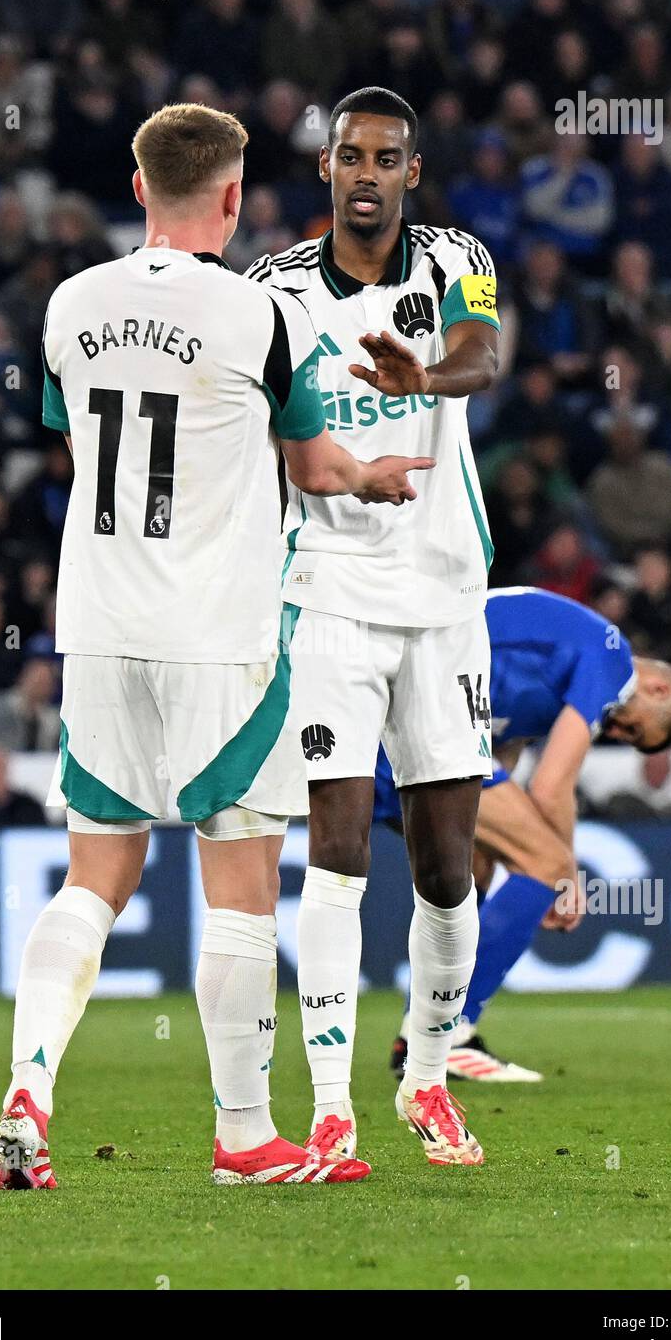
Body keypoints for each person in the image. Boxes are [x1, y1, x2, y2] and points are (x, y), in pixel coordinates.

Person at [0, 103, 427, 1192]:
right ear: (232, 199)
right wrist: (372, 477)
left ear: (140, 188)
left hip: (94, 627)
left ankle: (28, 1090)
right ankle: (244, 1135)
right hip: (217, 636)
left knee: (93, 873)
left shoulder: (68, 302)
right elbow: (315, 465)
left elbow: (80, 428)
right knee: (238, 884)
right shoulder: (259, 317)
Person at [247, 87, 500, 1169]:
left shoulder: (458, 258)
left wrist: (426, 374)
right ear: (325, 168)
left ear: (411, 170)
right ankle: (332, 1105)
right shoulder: (269, 290)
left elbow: (482, 358)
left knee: (448, 870)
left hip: (444, 598)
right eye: (348, 154)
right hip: (330, 593)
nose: (364, 172)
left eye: (385, 157)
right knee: (338, 854)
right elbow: (247, 422)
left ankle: (429, 1079)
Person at [377, 587, 671, 1082]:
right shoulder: (614, 663)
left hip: (395, 721)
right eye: (636, 732)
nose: (618, 734)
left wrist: (524, 852)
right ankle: (451, 1032)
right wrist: (563, 872)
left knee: (475, 863)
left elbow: (503, 760)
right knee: (545, 863)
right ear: (657, 691)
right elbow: (551, 786)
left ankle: (416, 1037)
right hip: (429, 724)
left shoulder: (546, 670)